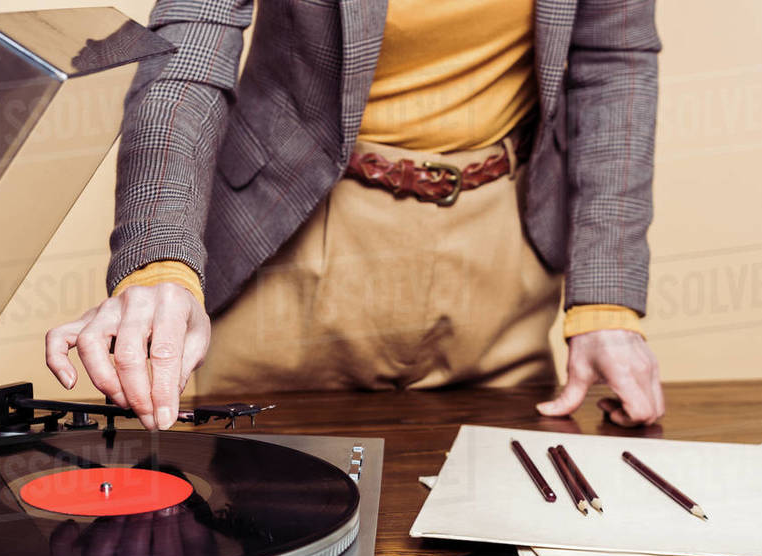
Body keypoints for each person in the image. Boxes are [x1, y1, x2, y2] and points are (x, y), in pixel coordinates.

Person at [46, 0, 665, 431]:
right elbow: (192, 40)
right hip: (294, 227)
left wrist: (605, 300)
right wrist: (157, 260)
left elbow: (615, 60)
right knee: (250, 511)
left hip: (503, 240)